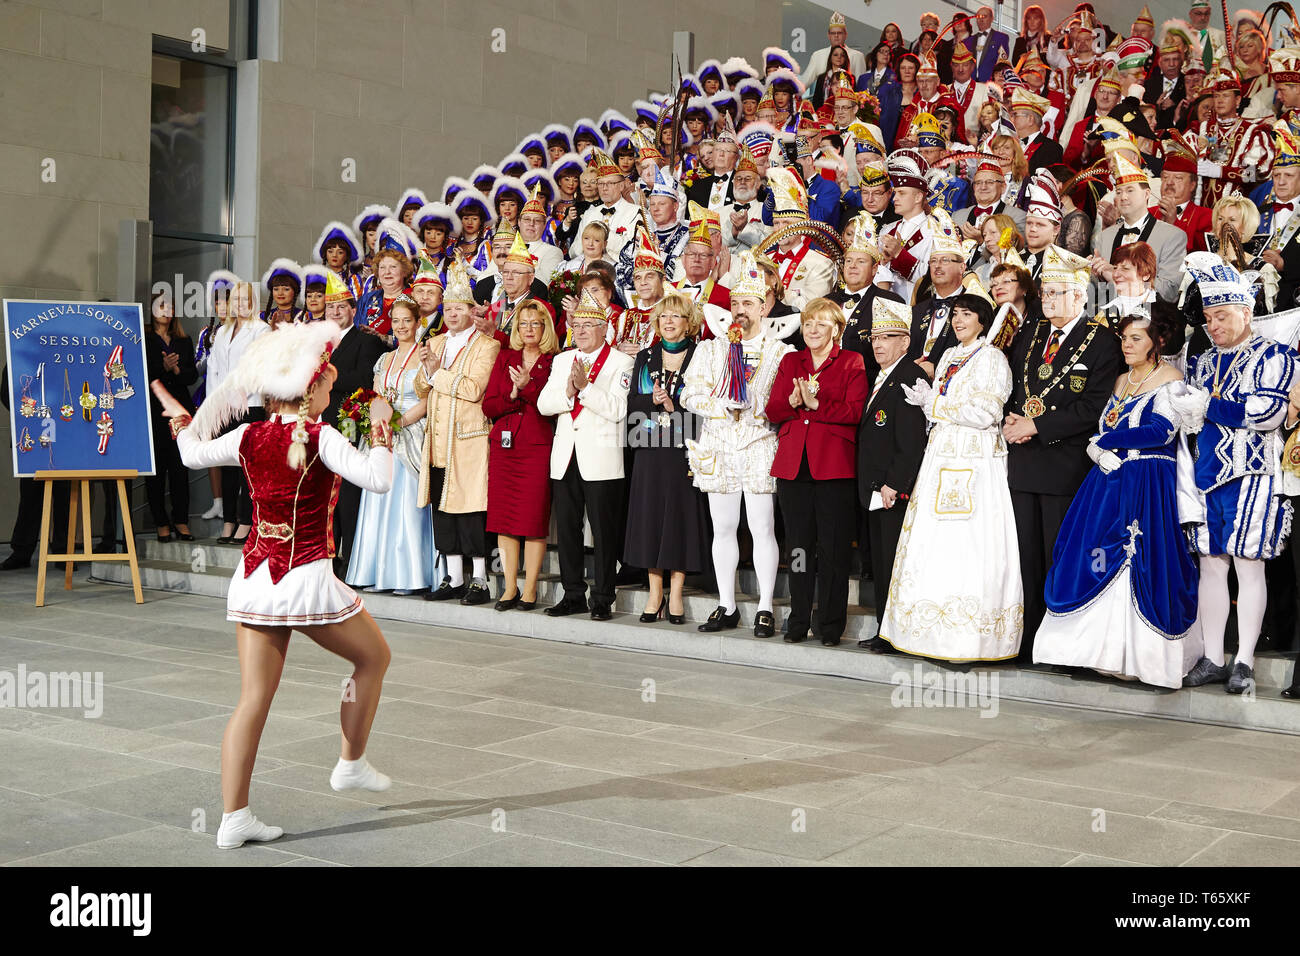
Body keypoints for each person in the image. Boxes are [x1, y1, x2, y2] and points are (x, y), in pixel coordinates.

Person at [157, 321, 395, 849]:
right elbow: (378, 479)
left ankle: (233, 818)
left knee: (253, 700)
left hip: (257, 577)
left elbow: (192, 455)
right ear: (308, 389)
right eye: (327, 387)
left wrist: (182, 423)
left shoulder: (247, 434)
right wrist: (382, 428)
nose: (331, 395)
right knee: (373, 659)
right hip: (307, 576)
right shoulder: (320, 435)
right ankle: (350, 763)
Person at [1034, 310, 1202, 688]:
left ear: (1157, 342)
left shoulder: (1172, 379)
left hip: (1147, 478)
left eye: (1136, 339)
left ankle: (1141, 658)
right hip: (1109, 478)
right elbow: (1105, 424)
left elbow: (1160, 431)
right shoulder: (1121, 380)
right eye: (1125, 338)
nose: (1127, 345)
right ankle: (1092, 652)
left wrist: (1105, 442)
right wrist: (1098, 449)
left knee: (1139, 555)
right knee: (1094, 555)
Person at [878, 291, 1023, 661]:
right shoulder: (947, 356)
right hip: (940, 456)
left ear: (982, 321)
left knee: (969, 543)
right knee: (933, 542)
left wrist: (934, 403)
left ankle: (968, 637)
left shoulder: (992, 358)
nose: (959, 321)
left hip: (973, 462)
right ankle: (927, 632)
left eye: (967, 315)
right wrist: (928, 407)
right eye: (955, 314)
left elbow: (986, 413)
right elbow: (942, 408)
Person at [1177, 254, 1298, 692]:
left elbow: (1267, 412)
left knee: (1248, 567)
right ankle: (1212, 657)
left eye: (1223, 315)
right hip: (1206, 474)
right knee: (1211, 566)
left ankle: (1244, 661)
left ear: (1246, 312)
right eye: (1209, 317)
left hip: (1254, 472)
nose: (1214, 324)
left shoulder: (1276, 355)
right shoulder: (1203, 361)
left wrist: (1207, 407)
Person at [1003, 245, 1124, 661]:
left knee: (1062, 554)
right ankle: (1028, 638)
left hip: (1063, 465)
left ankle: (1063, 642)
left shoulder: (1102, 341)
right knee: (1025, 557)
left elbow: (1094, 407)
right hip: (1022, 462)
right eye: (1044, 293)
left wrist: (1035, 425)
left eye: (1055, 293)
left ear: (1078, 296)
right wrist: (1010, 420)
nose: (1046, 300)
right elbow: (1013, 388)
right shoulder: (1031, 333)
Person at [681, 252, 792, 637]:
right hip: (718, 444)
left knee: (762, 527)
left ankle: (764, 606)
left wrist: (757, 406)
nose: (740, 310)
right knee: (723, 527)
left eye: (748, 303)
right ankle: (726, 604)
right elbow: (688, 394)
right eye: (735, 304)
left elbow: (784, 402)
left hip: (760, 443)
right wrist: (718, 403)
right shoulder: (710, 348)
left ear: (765, 306)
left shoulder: (782, 352)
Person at [766, 298, 868, 646]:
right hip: (794, 468)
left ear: (837, 330)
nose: (812, 330)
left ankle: (830, 624)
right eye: (809, 323)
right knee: (798, 549)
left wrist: (816, 404)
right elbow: (772, 409)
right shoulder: (791, 360)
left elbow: (855, 412)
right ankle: (797, 619)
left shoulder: (852, 362)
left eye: (821, 324)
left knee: (834, 549)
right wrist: (793, 403)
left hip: (834, 467)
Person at [537, 289, 634, 620]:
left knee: (605, 532)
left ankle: (604, 597)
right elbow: (543, 404)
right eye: (575, 325)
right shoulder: (563, 360)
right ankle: (573, 593)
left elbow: (619, 409)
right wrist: (568, 391)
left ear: (602, 329)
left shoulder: (622, 362)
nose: (579, 331)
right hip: (566, 456)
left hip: (603, 457)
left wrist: (586, 388)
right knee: (567, 529)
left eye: (586, 326)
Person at [417, 259, 501, 606]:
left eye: (459, 308)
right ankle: (453, 575)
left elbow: (473, 389)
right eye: (448, 308)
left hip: (468, 439)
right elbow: (422, 387)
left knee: (470, 509)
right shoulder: (435, 343)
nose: (452, 314)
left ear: (471, 311)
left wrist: (436, 374)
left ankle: (480, 579)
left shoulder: (486, 345)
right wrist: (427, 371)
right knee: (443, 509)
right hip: (437, 439)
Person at [623, 293, 710, 624]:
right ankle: (654, 591)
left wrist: (674, 408)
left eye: (675, 317)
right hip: (649, 447)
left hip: (684, 449)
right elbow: (632, 406)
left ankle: (676, 593)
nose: (669, 322)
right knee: (649, 519)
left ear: (689, 322)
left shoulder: (702, 357)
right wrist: (653, 403)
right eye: (663, 318)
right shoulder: (645, 357)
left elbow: (707, 411)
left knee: (678, 520)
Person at [345, 295, 434, 595]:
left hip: (410, 432)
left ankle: (408, 575)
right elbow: (375, 396)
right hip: (383, 434)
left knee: (406, 503)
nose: (400, 326)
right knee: (377, 500)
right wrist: (379, 421)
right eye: (395, 321)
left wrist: (400, 423)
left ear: (417, 322)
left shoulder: (424, 356)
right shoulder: (384, 359)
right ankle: (375, 570)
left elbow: (426, 400)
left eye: (406, 320)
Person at [483, 300, 559, 612]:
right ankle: (509, 588)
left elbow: (550, 406)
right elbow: (489, 406)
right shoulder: (504, 358)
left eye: (535, 324)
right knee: (505, 521)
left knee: (532, 520)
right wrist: (513, 395)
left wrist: (527, 389)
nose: (529, 329)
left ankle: (530, 590)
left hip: (536, 449)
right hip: (504, 449)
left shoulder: (555, 361)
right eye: (523, 323)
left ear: (545, 329)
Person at [321, 271, 389, 578]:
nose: (335, 313)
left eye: (341, 307)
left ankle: (348, 556)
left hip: (349, 424)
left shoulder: (365, 340)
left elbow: (364, 379)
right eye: (330, 308)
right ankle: (326, 554)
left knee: (347, 493)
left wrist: (327, 375)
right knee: (323, 494)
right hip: (321, 424)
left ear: (352, 310)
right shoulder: (318, 342)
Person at [207, 280, 270, 544]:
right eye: (236, 300)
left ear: (253, 303)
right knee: (227, 465)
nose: (240, 305)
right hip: (224, 407)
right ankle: (228, 521)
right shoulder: (222, 331)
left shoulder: (261, 329)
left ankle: (246, 522)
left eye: (245, 300)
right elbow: (214, 370)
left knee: (246, 468)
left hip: (250, 405)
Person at [1090, 153, 1188, 303]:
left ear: (1147, 194)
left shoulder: (1173, 236)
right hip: (1108, 320)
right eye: (1118, 192)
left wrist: (1116, 275)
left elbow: (1169, 292)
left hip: (1151, 322)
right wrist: (1090, 272)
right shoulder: (1104, 237)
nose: (1123, 197)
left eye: (1130, 190)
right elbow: (1098, 293)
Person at [144, 288, 196, 542]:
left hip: (180, 411)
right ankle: (161, 523)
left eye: (170, 307)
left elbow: (193, 376)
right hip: (154, 411)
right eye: (161, 307)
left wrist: (176, 370)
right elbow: (141, 374)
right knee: (157, 471)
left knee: (179, 468)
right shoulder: (144, 338)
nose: (166, 311)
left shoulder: (183, 340)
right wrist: (162, 368)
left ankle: (181, 521)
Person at [196, 270, 237, 521]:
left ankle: (235, 504)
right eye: (218, 302)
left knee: (231, 451)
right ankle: (217, 502)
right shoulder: (206, 332)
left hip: (232, 397)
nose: (222, 306)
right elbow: (197, 364)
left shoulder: (240, 330)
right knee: (211, 448)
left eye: (226, 301)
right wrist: (209, 357)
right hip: (208, 395)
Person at [800, 10, 868, 89]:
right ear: (829, 35)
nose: (836, 36)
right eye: (833, 33)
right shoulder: (818, 55)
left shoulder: (857, 56)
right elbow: (805, 81)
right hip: (824, 99)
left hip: (848, 99)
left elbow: (861, 85)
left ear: (845, 35)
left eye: (839, 33)